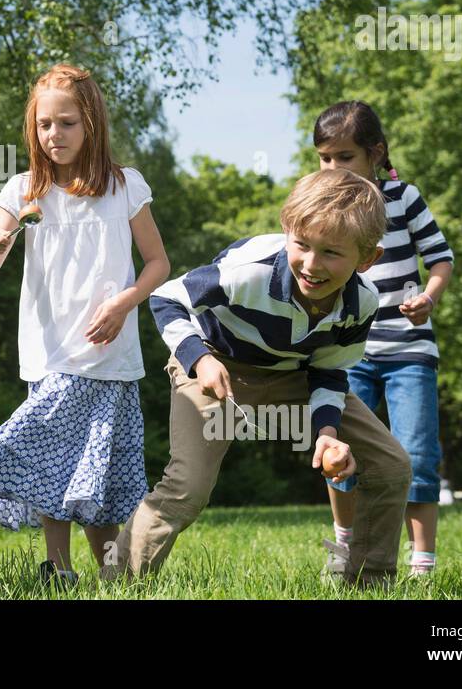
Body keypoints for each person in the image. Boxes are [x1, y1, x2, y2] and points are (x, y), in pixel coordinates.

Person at [102, 168, 413, 588]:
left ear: (367, 258)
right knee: (187, 486)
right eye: (302, 245)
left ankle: (369, 581)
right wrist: (200, 360)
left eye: (332, 253)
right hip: (214, 365)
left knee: (392, 466)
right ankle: (118, 582)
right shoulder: (250, 271)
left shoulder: (362, 303)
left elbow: (330, 369)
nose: (312, 264)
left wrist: (325, 432)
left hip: (293, 377)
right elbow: (166, 298)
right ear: (287, 231)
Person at [0, 63, 169, 587]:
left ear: (91, 122)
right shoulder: (24, 191)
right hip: (50, 353)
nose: (55, 135)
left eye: (67, 123)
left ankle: (112, 574)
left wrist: (124, 304)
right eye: (44, 125)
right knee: (54, 462)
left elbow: (158, 264)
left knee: (100, 472)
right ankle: (58, 568)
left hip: (109, 356)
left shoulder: (124, 187)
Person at [312, 100, 454, 577]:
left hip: (409, 351)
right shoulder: (323, 205)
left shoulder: (403, 198)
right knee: (340, 452)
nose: (334, 168)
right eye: (325, 158)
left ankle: (422, 562)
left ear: (375, 154)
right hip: (348, 351)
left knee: (416, 451)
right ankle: (345, 549)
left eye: (345, 157)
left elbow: (440, 258)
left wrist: (429, 298)